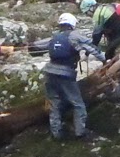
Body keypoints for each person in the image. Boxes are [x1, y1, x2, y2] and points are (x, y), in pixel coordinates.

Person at [41, 12, 103, 141]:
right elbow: (92, 47)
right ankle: (80, 132)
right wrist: (105, 59)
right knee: (78, 103)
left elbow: (35, 47)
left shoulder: (54, 37)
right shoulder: (74, 36)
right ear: (72, 24)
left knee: (54, 103)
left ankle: (56, 133)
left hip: (49, 73)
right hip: (66, 75)